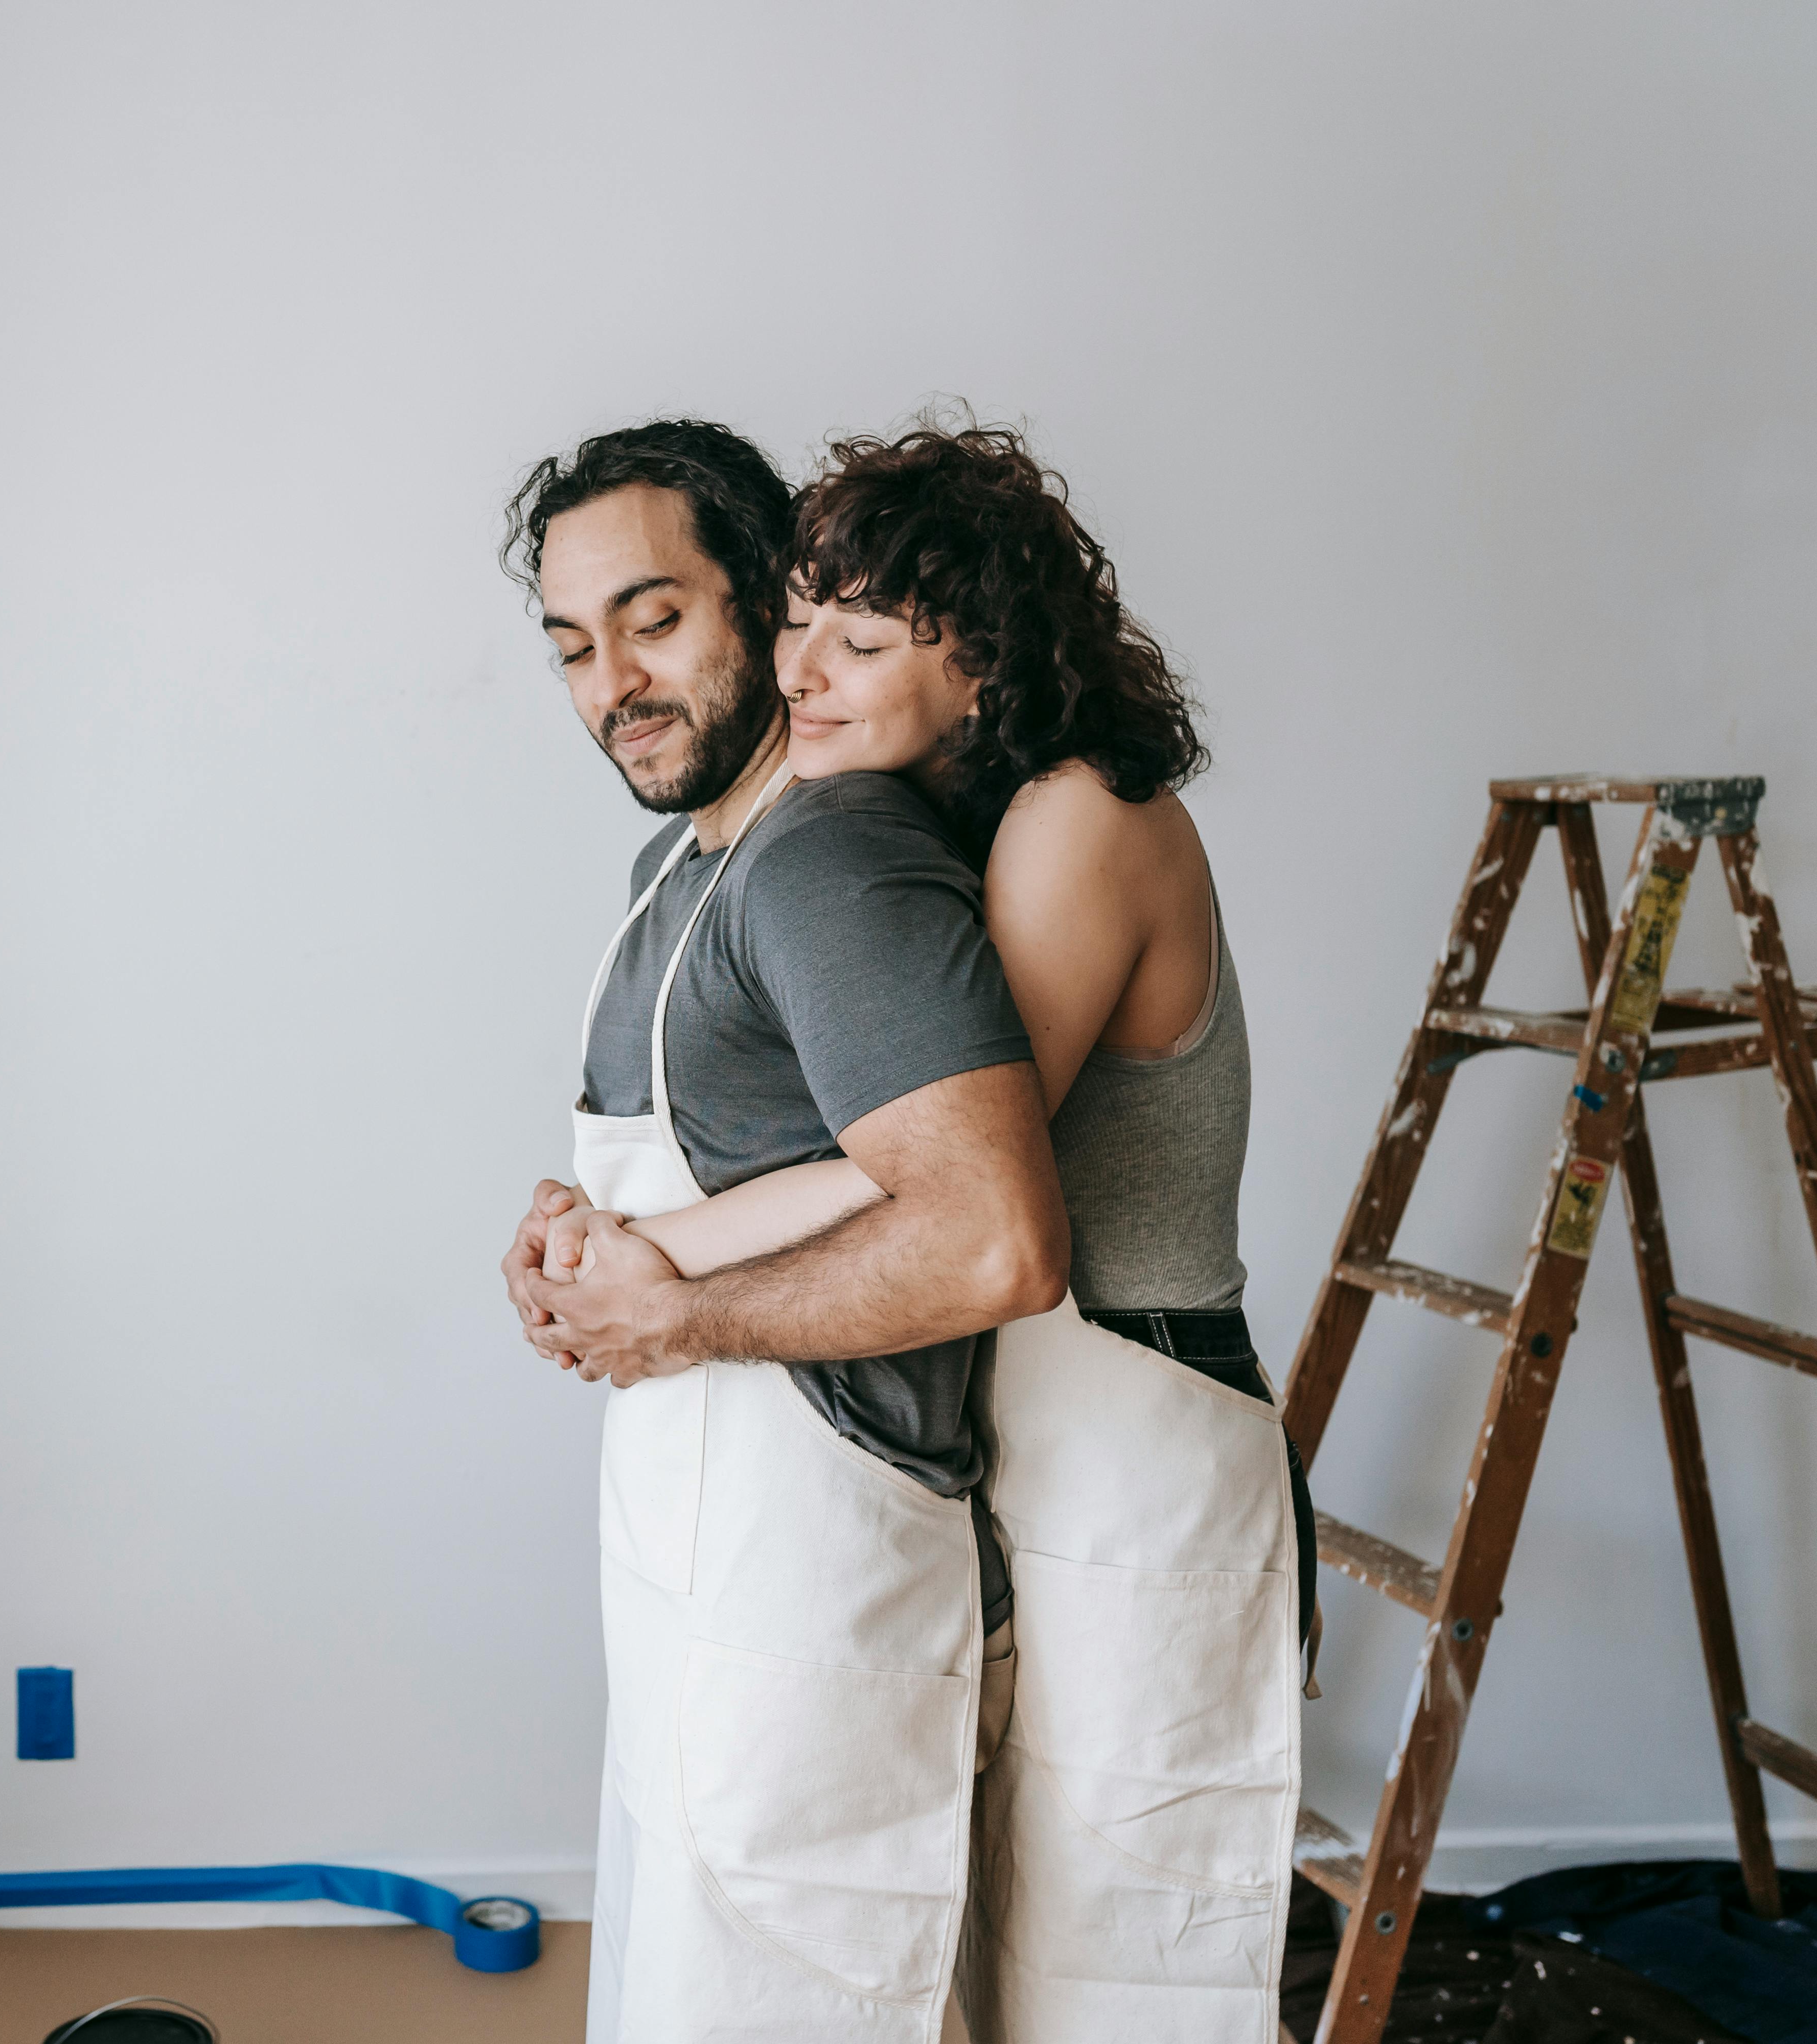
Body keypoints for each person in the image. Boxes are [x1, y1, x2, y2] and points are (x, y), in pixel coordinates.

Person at [524, 420, 1309, 2043]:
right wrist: (615, 1232)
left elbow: (959, 1190)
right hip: (1050, 1441)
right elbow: (885, 1173)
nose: (807, 672)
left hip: (1147, 1431)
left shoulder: (1077, 820)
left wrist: (666, 1267)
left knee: (1123, 1968)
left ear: (981, 661)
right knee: (1008, 1956)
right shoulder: (946, 824)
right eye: (802, 622)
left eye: (858, 639)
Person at [497, 420, 1066, 2044]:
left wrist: (675, 1317)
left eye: (654, 618)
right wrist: (566, 1249)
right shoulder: (676, 865)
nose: (611, 679)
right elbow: (718, 1180)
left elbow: (992, 1237)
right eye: (571, 646)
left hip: (815, 1580)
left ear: (767, 598)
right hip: (694, 1564)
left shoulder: (829, 866)